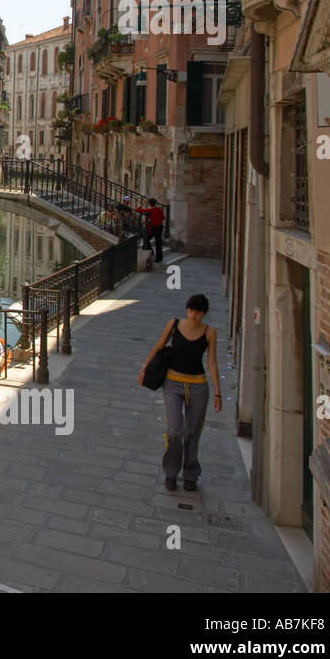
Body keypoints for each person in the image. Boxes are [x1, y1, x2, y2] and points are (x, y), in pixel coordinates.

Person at [138, 294, 221, 491]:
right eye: (191, 310)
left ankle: (191, 474)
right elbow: (159, 346)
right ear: (187, 309)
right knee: (175, 431)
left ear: (204, 313)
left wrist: (218, 392)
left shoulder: (209, 332)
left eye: (198, 312)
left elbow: (212, 363)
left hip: (198, 386)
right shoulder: (174, 324)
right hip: (173, 384)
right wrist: (145, 369)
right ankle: (171, 473)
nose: (194, 315)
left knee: (192, 433)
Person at [144, 198, 165, 262]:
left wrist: (143, 204)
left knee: (147, 239)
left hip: (153, 227)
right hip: (160, 227)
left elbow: (138, 209)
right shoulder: (159, 209)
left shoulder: (149, 210)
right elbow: (163, 218)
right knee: (158, 242)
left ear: (149, 203)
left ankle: (152, 252)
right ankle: (159, 258)